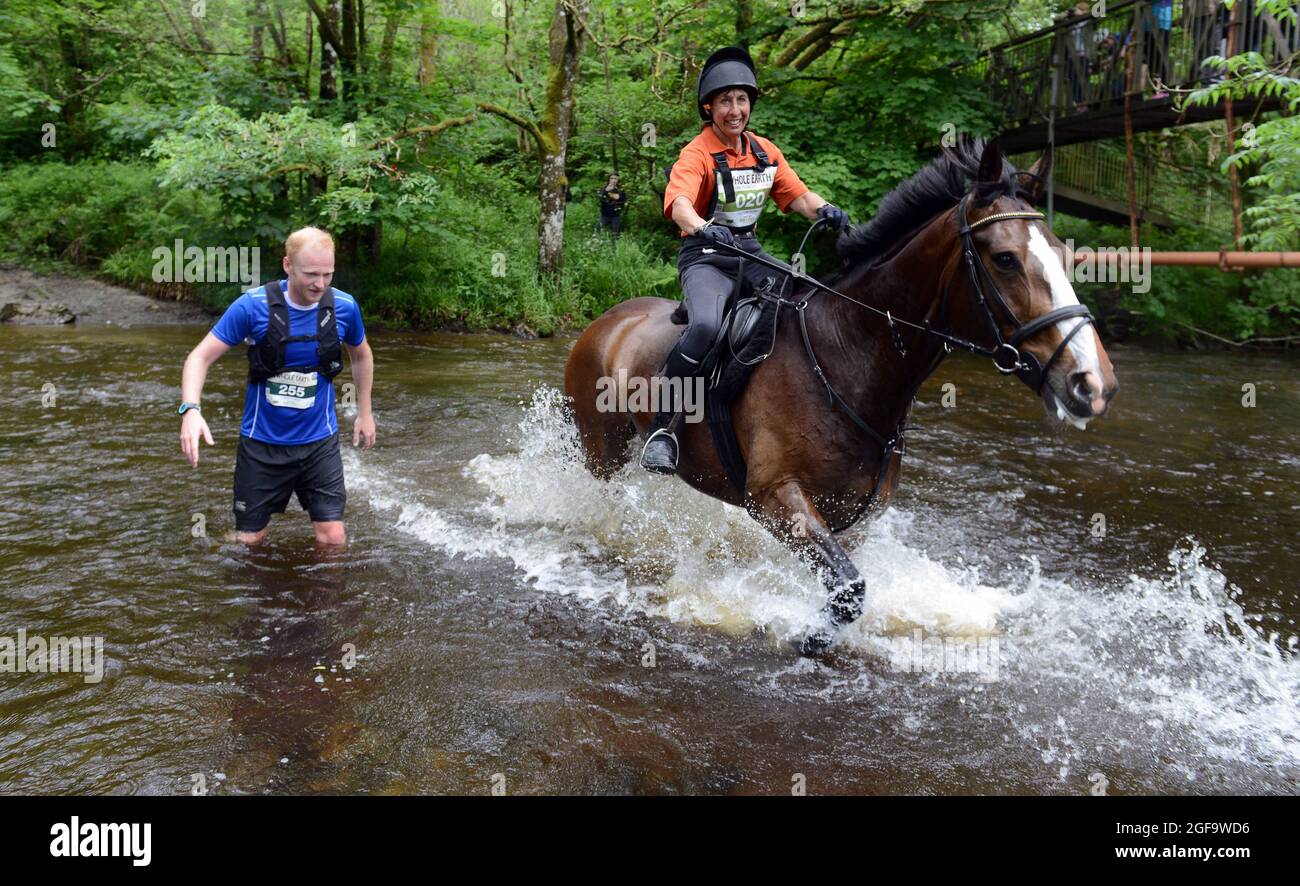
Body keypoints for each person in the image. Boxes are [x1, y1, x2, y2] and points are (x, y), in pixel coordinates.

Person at [644, 46, 849, 475]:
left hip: (749, 254)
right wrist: (701, 225)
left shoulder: (765, 152)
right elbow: (678, 203)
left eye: (741, 100)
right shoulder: (696, 153)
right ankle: (662, 429)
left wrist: (827, 208)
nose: (734, 110)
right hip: (706, 256)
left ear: (750, 104)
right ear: (709, 107)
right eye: (724, 101)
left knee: (806, 300)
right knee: (704, 326)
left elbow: (799, 197)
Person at [178, 227, 375, 546]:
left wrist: (365, 412)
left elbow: (361, 355)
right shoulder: (251, 307)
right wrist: (191, 409)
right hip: (262, 444)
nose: (320, 284)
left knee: (333, 538)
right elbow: (199, 357)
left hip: (319, 443)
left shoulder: (344, 307)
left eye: (328, 274)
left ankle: (325, 597)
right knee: (250, 541)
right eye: (311, 274)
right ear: (287, 266)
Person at [598, 173, 627, 239]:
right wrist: (605, 191)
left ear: (618, 180)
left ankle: (616, 246)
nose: (613, 180)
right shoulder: (604, 188)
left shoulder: (620, 189)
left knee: (615, 233)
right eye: (612, 178)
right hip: (605, 214)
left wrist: (619, 197)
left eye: (615, 178)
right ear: (609, 179)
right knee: (598, 230)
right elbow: (601, 199)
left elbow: (624, 200)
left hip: (616, 214)